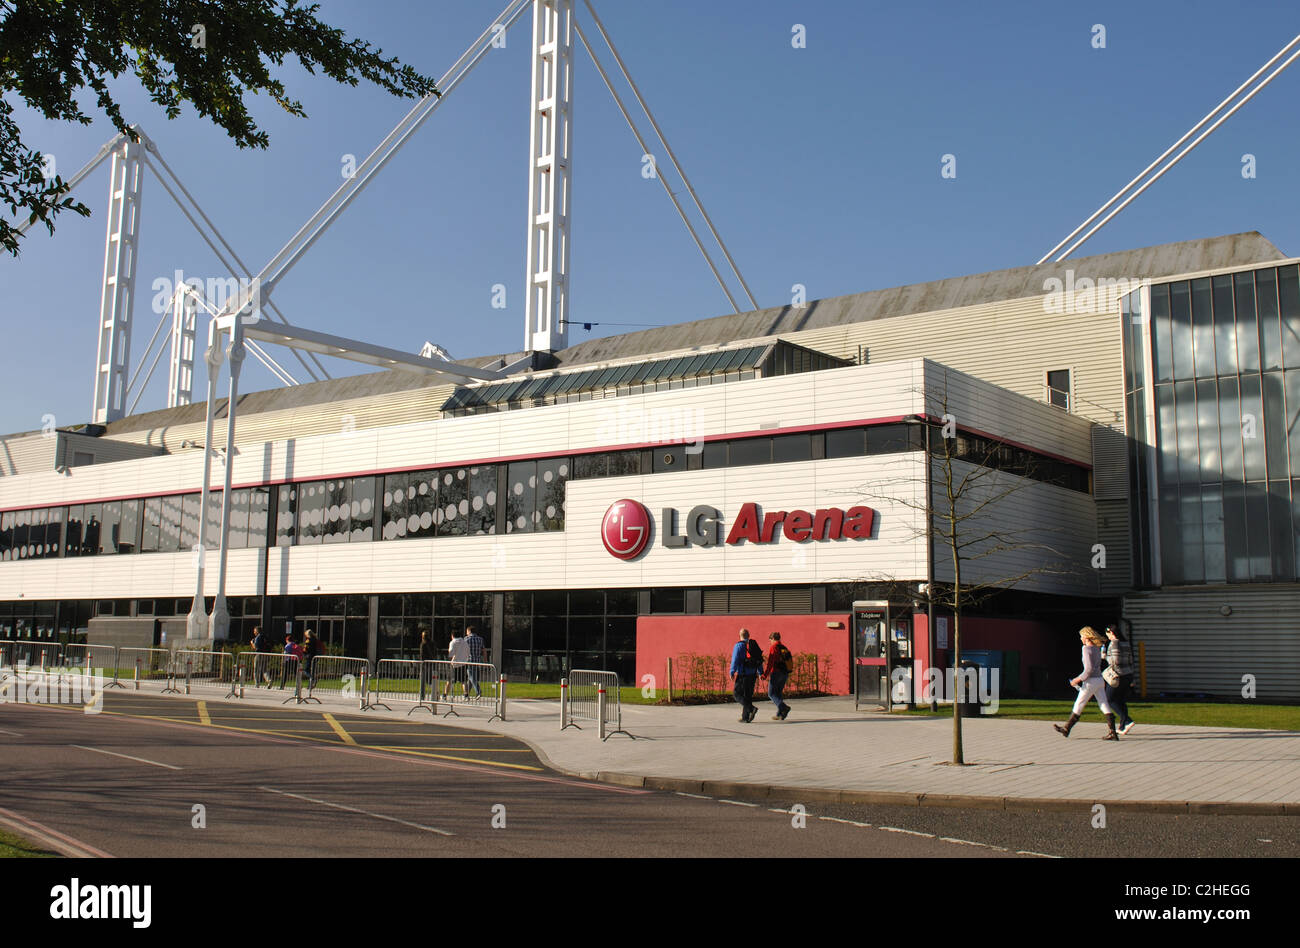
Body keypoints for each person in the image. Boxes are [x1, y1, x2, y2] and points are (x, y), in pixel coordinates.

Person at [1054, 626, 1119, 740]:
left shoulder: (1086, 649)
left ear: (1086, 637)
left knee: (1079, 703)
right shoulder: (1097, 649)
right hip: (1099, 680)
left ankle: (1067, 728)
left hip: (1090, 681)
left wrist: (1077, 680)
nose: (1081, 639)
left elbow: (1088, 669)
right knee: (1103, 704)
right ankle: (1113, 732)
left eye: (1081, 636)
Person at [1104, 624, 1136, 735]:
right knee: (1121, 699)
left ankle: (1127, 720)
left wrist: (1105, 657)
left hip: (1118, 675)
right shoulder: (1126, 643)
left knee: (1110, 699)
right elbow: (1131, 660)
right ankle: (1123, 726)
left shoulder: (1114, 643)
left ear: (1111, 633)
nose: (1107, 636)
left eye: (1107, 634)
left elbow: (1116, 661)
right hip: (1128, 674)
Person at [729, 628, 763, 723]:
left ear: (739, 636)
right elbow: (759, 659)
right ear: (749, 635)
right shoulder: (754, 645)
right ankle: (745, 717)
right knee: (747, 696)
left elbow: (735, 660)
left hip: (743, 675)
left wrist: (732, 671)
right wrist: (761, 672)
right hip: (753, 675)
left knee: (737, 694)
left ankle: (751, 708)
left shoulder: (739, 646)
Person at [761, 631, 794, 720]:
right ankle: (780, 714)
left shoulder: (774, 647)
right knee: (778, 694)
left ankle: (784, 707)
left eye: (770, 640)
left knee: (771, 693)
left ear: (772, 639)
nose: (770, 642)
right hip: (785, 673)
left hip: (776, 673)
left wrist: (765, 674)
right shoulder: (783, 647)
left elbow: (770, 663)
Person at [445, 628, 471, 699]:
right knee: (464, 681)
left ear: (452, 635)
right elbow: (468, 652)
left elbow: (450, 654)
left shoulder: (452, 642)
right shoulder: (465, 642)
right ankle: (466, 695)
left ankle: (445, 695)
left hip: (454, 664)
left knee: (449, 680)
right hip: (463, 663)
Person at [464, 625, 485, 698]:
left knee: (471, 677)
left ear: (469, 631)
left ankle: (478, 691)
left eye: (467, 631)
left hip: (469, 661)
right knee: (471, 678)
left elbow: (464, 651)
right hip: (477, 661)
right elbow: (483, 650)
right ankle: (466, 694)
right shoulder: (480, 639)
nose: (466, 633)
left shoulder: (466, 639)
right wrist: (485, 660)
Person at [418, 629, 436, 702]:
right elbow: (435, 652)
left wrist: (421, 662)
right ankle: (435, 694)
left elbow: (422, 654)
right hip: (431, 663)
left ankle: (422, 696)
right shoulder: (432, 643)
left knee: (423, 680)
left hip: (425, 664)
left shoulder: (423, 644)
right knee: (431, 680)